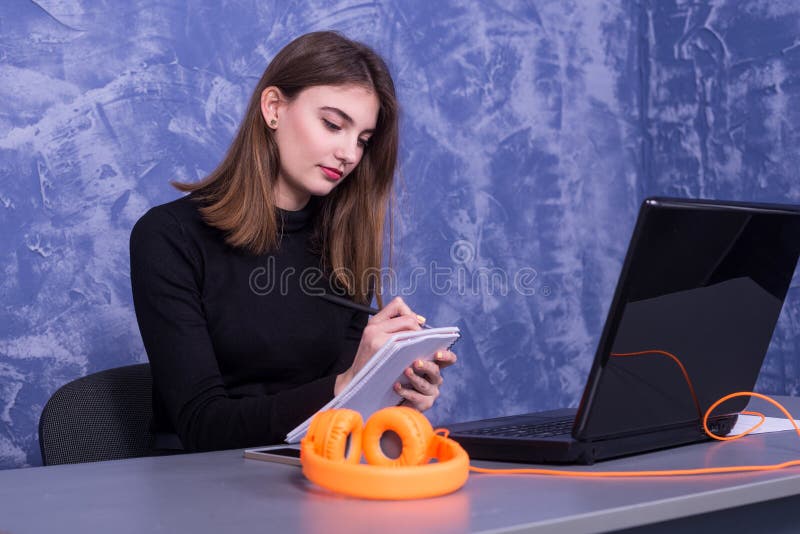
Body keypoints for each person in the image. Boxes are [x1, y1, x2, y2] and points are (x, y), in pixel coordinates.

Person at [130, 31, 457, 453]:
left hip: (314, 475)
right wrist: (348, 382)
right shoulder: (168, 237)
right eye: (333, 125)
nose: (349, 154)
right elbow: (203, 427)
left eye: (362, 140)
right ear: (273, 108)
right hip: (205, 488)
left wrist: (393, 387)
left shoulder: (342, 240)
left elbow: (341, 411)